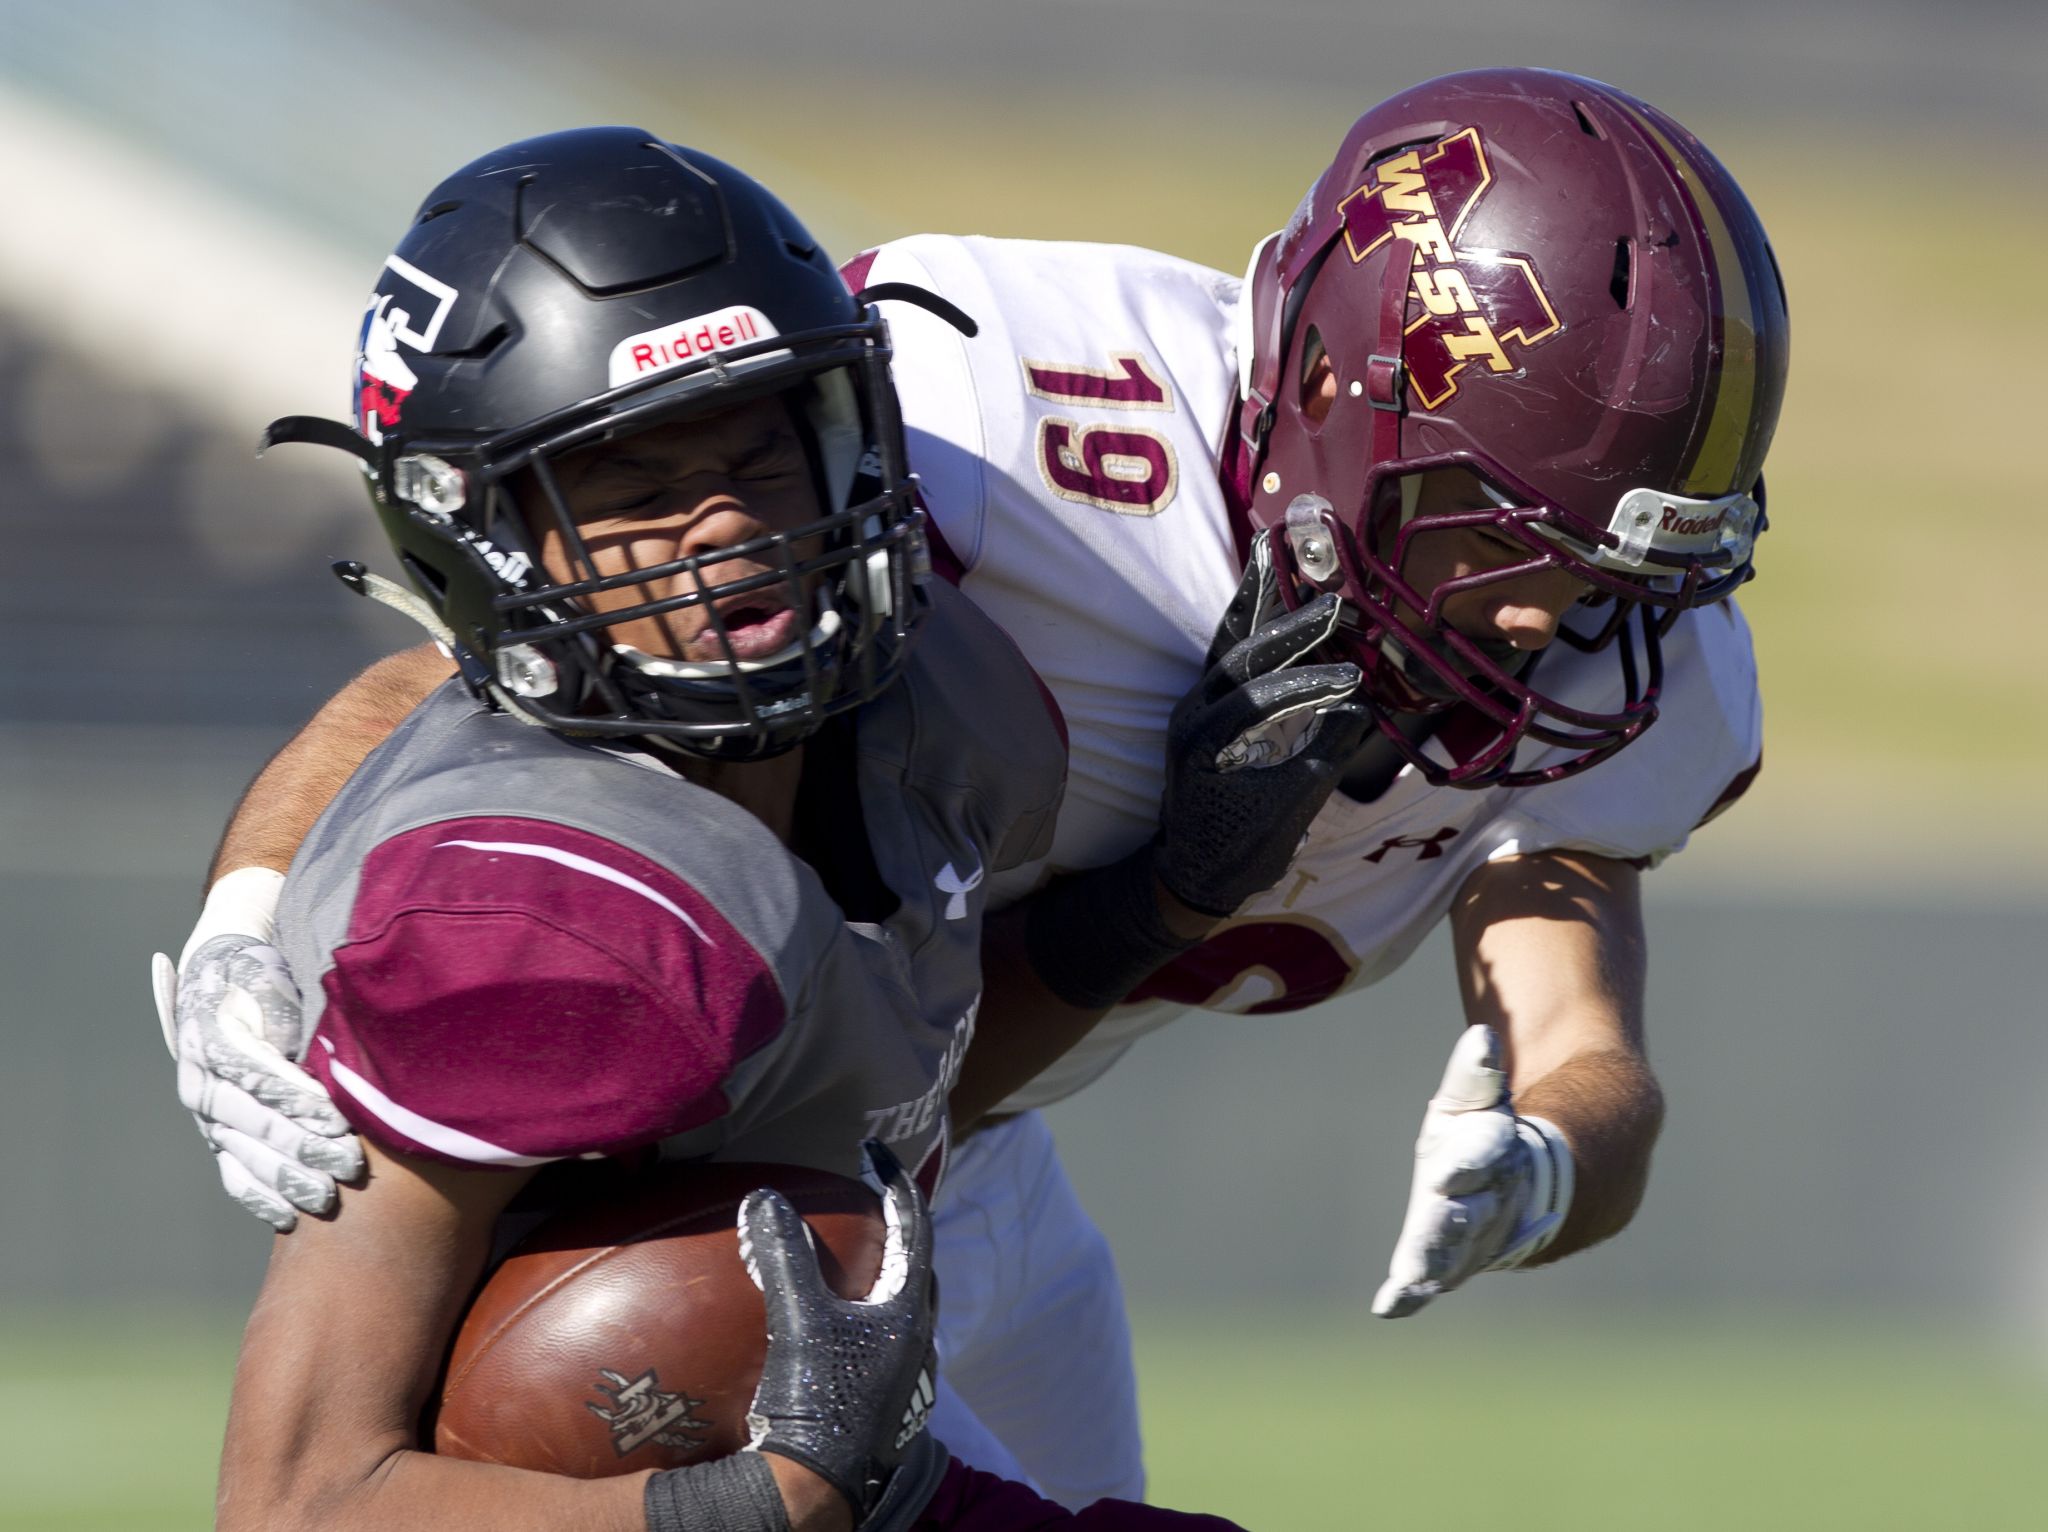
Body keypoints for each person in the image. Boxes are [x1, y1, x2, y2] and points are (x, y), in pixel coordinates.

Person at [159, 69, 1789, 1510]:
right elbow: (487, 680)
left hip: (964, 1154)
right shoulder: (1015, 427)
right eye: (1501, 535)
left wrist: (1551, 1160)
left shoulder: (1626, 647)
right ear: (1340, 397)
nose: (1546, 619)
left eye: (1613, 568)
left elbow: (1583, 1043)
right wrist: (246, 916)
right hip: (693, 1210)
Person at [186, 126, 1272, 1532]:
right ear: (485, 537)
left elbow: (882, 1091)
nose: (728, 531)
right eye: (637, 491)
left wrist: (1159, 902)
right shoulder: (539, 916)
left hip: (855, 1399)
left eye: (762, 453)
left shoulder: (943, 698)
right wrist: (752, 1507)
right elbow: (295, 1501)